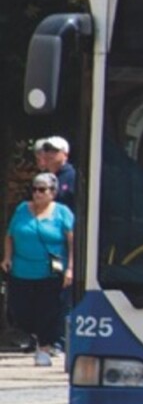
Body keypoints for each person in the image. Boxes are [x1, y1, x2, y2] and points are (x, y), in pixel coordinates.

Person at [3, 172, 74, 358]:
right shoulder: (22, 209)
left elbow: (73, 242)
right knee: (19, 308)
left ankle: (47, 343)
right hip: (21, 270)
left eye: (42, 190)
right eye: (34, 189)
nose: (37, 194)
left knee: (48, 309)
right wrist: (7, 258)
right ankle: (30, 338)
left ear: (53, 192)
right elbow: (10, 235)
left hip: (50, 271)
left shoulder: (62, 212)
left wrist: (70, 268)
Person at [35, 136, 76, 209]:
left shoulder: (73, 176)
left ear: (65, 155)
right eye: (46, 150)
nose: (49, 154)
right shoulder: (42, 177)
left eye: (54, 150)